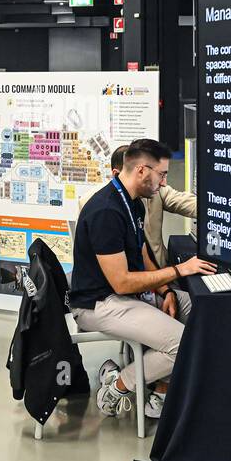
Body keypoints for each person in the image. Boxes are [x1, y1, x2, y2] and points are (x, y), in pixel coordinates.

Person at [70, 138, 216, 420]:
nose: (163, 183)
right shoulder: (105, 211)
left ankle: (166, 387)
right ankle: (119, 385)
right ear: (141, 171)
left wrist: (166, 290)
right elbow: (122, 283)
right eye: (162, 175)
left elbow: (142, 253)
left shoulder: (132, 202)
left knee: (202, 311)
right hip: (99, 304)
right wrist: (177, 271)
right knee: (181, 343)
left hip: (121, 296)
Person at [109, 144, 197, 269]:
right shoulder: (101, 206)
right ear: (116, 174)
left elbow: (186, 203)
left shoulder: (155, 190)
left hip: (160, 273)